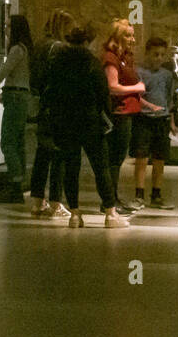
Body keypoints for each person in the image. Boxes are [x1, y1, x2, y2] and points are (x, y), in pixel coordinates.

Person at [44, 21, 122, 228]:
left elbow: (50, 91)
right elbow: (102, 93)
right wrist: (107, 116)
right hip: (89, 121)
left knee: (71, 167)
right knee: (101, 167)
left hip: (66, 121)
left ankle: (75, 214)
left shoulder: (58, 61)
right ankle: (110, 213)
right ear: (87, 41)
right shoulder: (91, 62)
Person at [28, 8, 74, 220]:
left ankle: (37, 201)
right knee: (59, 156)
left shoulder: (40, 45)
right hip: (58, 106)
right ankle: (56, 202)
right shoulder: (59, 48)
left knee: (42, 153)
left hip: (42, 104)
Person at [0, 14, 32, 203]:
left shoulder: (16, 50)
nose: (6, 29)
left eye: (9, 26)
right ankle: (19, 182)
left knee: (8, 142)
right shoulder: (25, 49)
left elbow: (5, 72)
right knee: (18, 142)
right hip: (17, 96)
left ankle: (15, 185)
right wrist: (2, 95)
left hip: (15, 97)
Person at [101, 19, 145, 215]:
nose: (132, 39)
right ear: (118, 36)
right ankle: (109, 201)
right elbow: (112, 87)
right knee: (114, 159)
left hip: (126, 113)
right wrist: (136, 88)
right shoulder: (111, 58)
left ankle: (113, 198)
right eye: (128, 35)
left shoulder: (124, 57)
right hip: (118, 114)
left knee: (117, 159)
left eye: (132, 35)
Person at [132, 36, 174, 209]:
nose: (158, 58)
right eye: (155, 54)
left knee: (159, 158)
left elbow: (169, 98)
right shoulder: (139, 72)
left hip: (161, 120)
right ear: (147, 53)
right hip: (144, 119)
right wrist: (150, 107)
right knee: (141, 158)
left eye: (162, 55)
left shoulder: (167, 75)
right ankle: (139, 194)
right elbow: (137, 97)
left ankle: (156, 194)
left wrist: (171, 120)